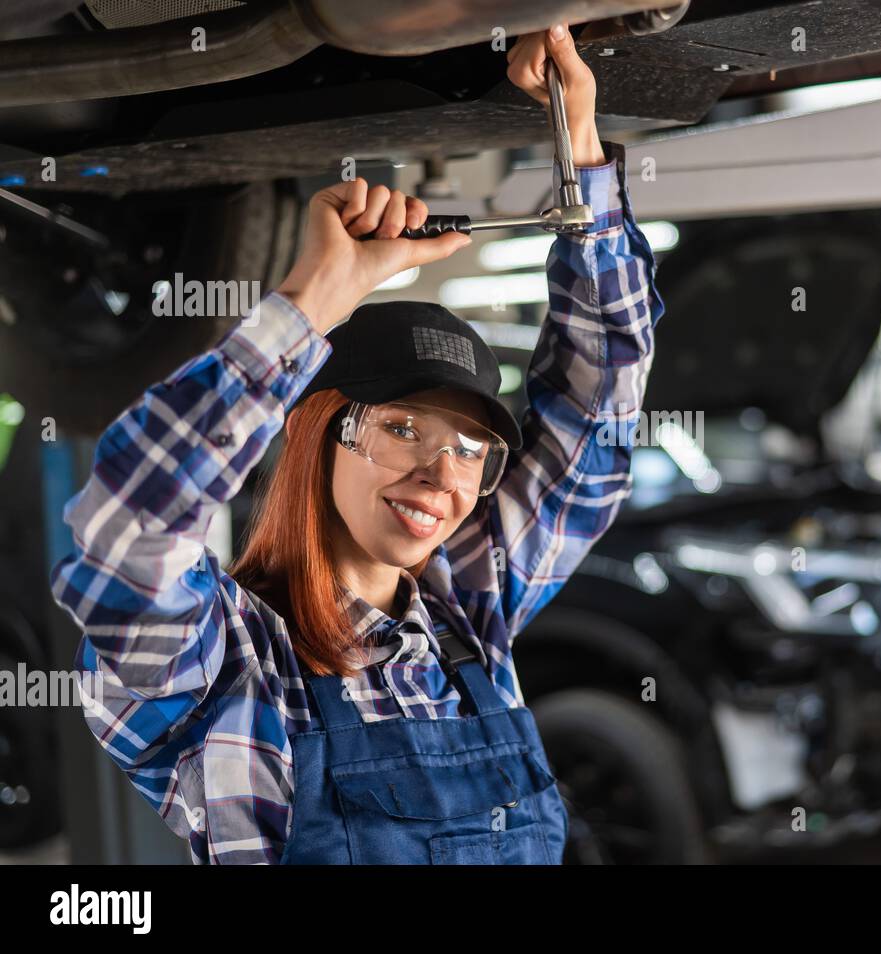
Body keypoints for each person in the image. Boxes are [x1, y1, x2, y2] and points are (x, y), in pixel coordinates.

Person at [48, 23, 664, 864]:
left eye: (471, 447)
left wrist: (578, 139)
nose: (441, 473)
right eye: (402, 428)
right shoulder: (223, 668)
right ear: (315, 431)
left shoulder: (466, 619)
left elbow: (598, 417)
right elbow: (125, 538)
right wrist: (312, 301)